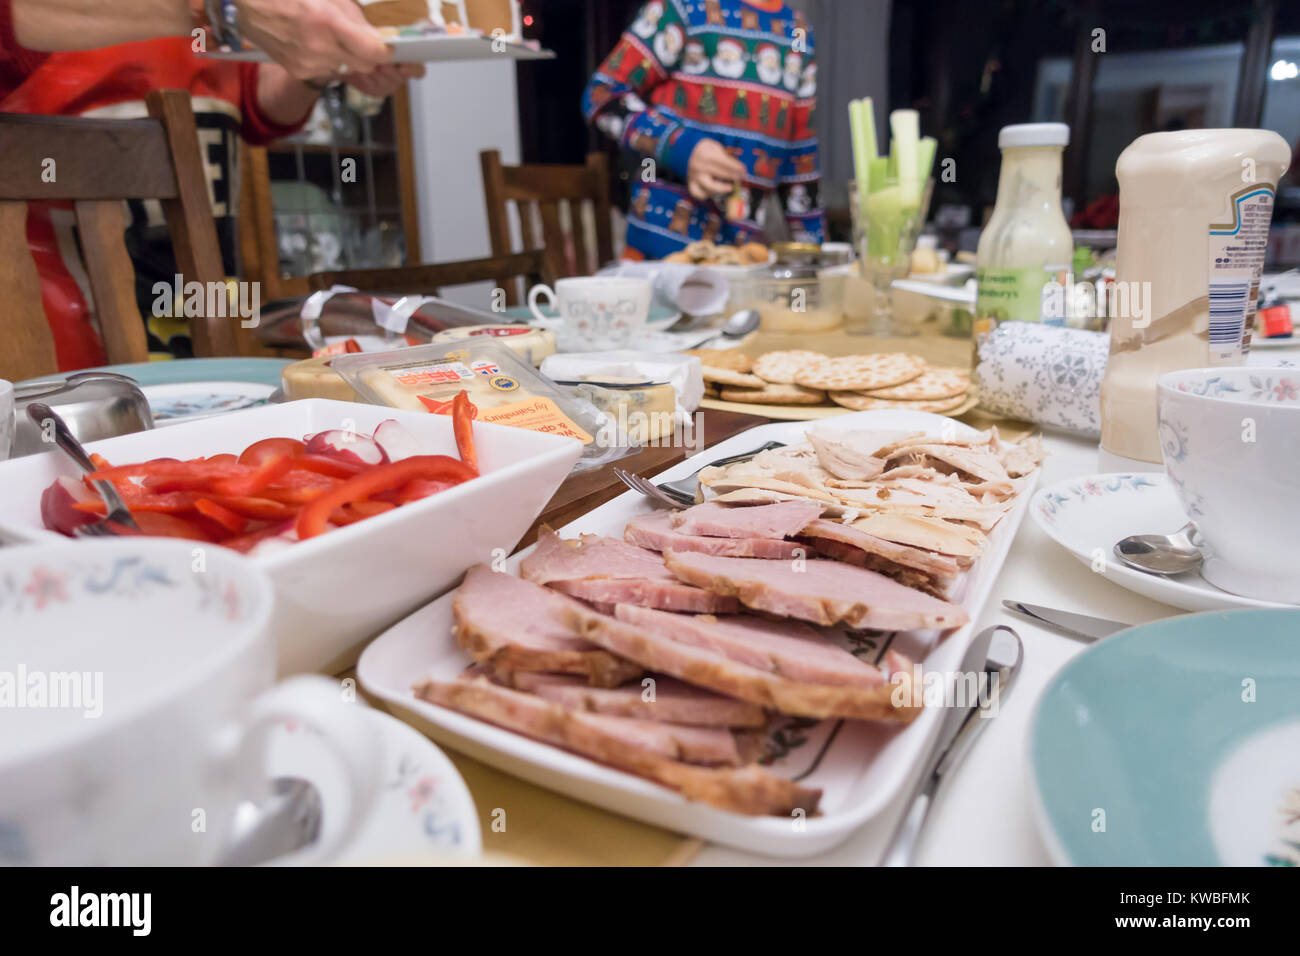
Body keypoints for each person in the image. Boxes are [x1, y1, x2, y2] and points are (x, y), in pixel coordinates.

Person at [1, 0, 421, 366]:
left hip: (200, 290)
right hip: (48, 322)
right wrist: (220, 8)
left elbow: (256, 105)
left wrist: (320, 65)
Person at [582, 0, 825, 260]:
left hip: (740, 266)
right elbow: (602, 96)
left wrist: (820, 259)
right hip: (657, 259)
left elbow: (800, 160)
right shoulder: (681, 8)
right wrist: (684, 149)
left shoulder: (799, 32)